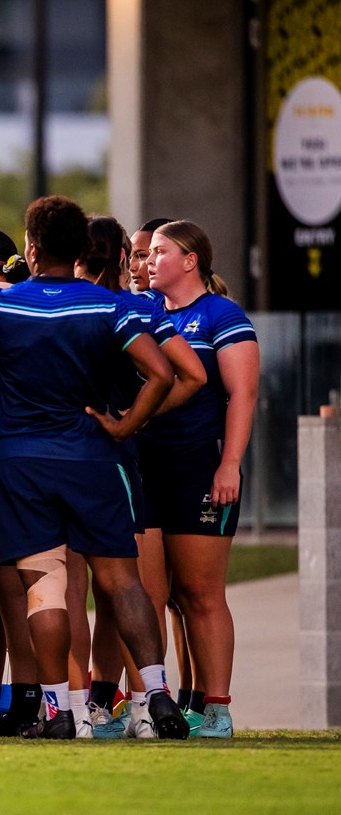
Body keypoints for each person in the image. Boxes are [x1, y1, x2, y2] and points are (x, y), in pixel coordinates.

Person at [0, 195, 188, 740]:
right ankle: (157, 695)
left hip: (21, 464)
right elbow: (161, 374)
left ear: (32, 248)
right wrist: (125, 424)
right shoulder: (108, 306)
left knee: (44, 585)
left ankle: (58, 711)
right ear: (81, 250)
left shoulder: (5, 306)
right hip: (94, 456)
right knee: (122, 581)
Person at [72, 215, 207, 738]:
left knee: (62, 589)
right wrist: (130, 423)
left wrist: (130, 421)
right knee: (127, 589)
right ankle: (145, 706)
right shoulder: (133, 308)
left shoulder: (45, 302)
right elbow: (190, 374)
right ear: (122, 257)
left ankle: (73, 711)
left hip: (46, 460)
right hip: (118, 462)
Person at [141, 220, 259, 738]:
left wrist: (229, 463)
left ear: (191, 260)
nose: (148, 260)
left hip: (200, 471)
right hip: (147, 468)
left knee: (200, 593)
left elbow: (243, 395)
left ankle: (217, 709)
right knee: (155, 595)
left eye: (160, 252)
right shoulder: (145, 312)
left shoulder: (222, 316)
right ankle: (159, 704)